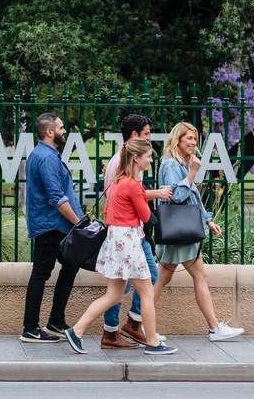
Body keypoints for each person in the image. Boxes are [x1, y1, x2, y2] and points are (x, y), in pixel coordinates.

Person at [63, 139, 177, 355]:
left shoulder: (117, 182)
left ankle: (77, 330)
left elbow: (110, 212)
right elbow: (145, 215)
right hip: (129, 241)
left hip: (115, 240)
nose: (150, 160)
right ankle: (152, 342)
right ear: (136, 158)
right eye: (148, 157)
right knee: (146, 292)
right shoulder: (133, 185)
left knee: (114, 295)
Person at [154, 122, 244, 341]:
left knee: (163, 277)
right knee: (199, 275)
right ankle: (214, 328)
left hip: (180, 230)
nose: (194, 143)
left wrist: (207, 220)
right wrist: (193, 173)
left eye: (195, 139)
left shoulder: (181, 164)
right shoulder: (170, 165)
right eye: (189, 139)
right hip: (180, 231)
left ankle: (136, 322)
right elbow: (175, 197)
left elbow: (192, 197)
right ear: (177, 140)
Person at [100, 114, 172, 349]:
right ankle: (113, 330)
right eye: (147, 134)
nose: (150, 138)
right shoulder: (120, 163)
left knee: (141, 280)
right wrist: (158, 194)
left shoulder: (130, 164)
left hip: (134, 233)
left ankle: (131, 325)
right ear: (135, 136)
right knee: (126, 285)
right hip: (126, 234)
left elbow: (133, 194)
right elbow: (122, 196)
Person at [20, 113, 85, 343]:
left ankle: (56, 320)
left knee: (70, 266)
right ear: (50, 132)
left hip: (56, 226)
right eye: (60, 127)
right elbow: (56, 197)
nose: (64, 130)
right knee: (41, 273)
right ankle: (30, 328)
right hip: (51, 226)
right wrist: (79, 221)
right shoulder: (46, 158)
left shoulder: (46, 155)